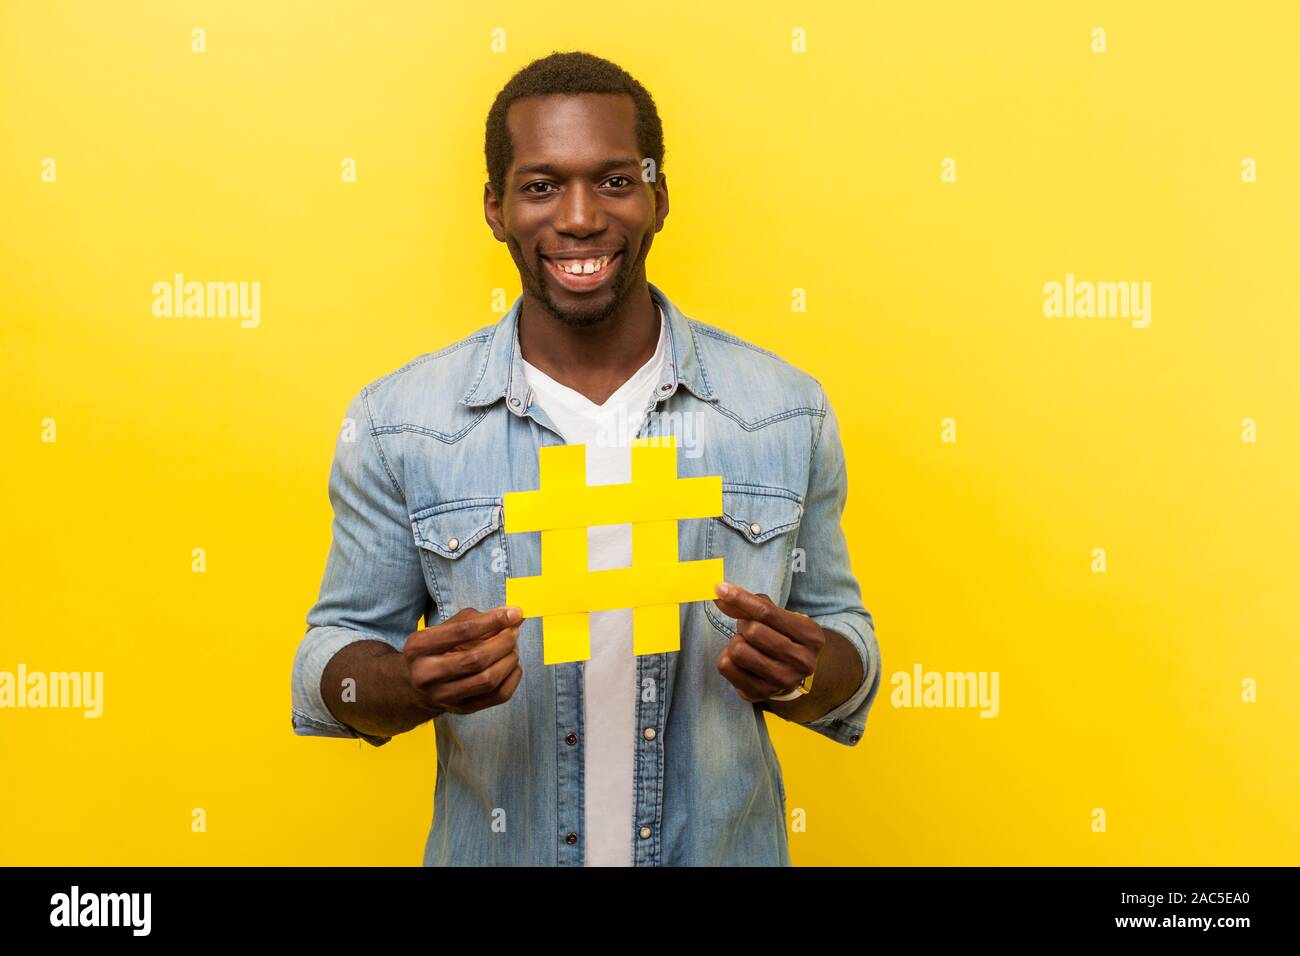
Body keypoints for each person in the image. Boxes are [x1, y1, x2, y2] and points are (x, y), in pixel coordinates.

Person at [290, 50, 882, 866]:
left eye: (613, 181)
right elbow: (333, 660)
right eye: (540, 186)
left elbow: (846, 649)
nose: (578, 218)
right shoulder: (399, 424)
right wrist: (403, 684)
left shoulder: (782, 410)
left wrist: (805, 672)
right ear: (495, 209)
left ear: (658, 198)